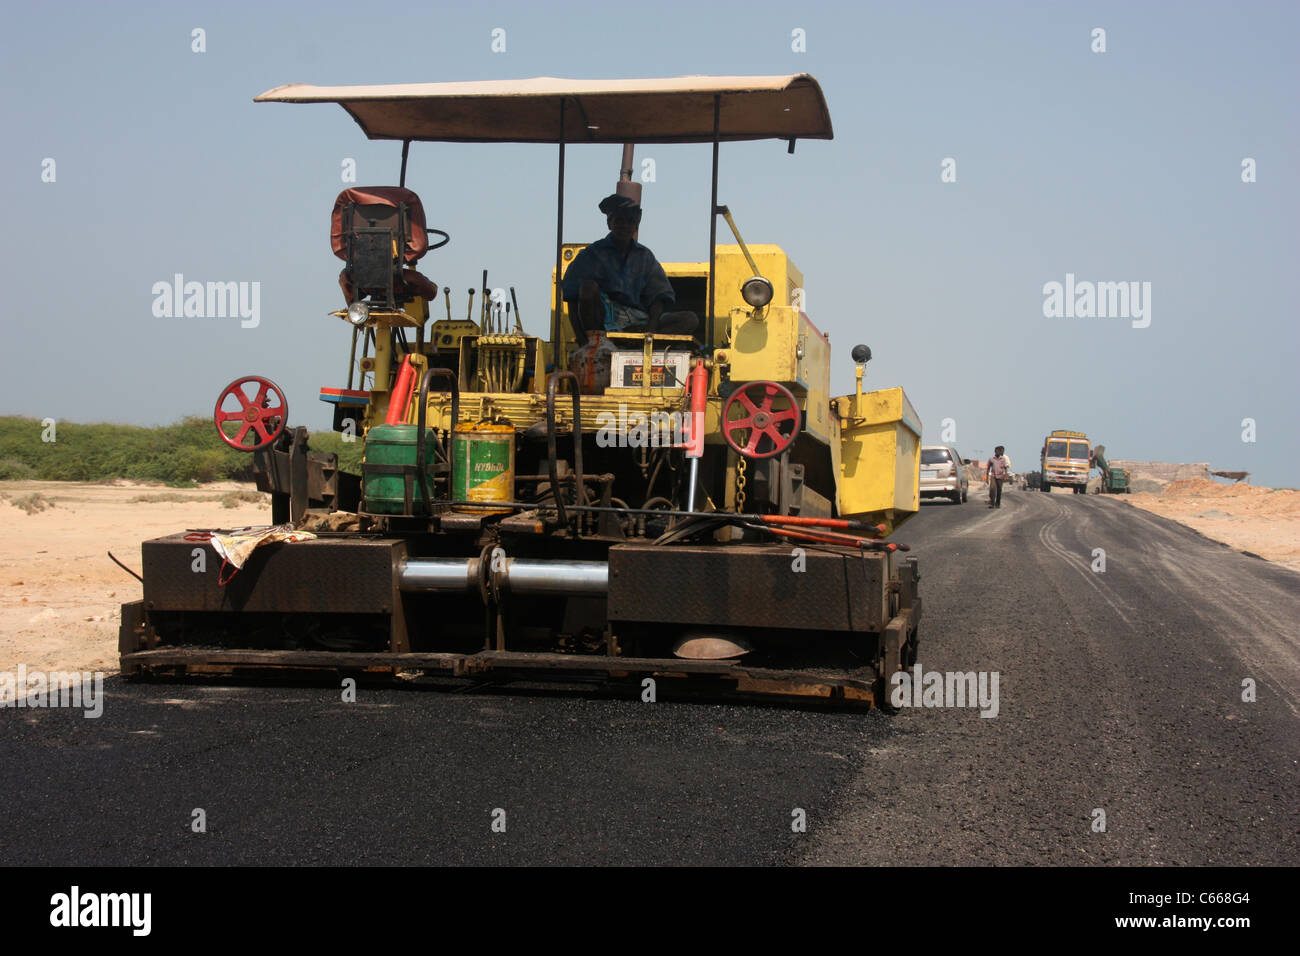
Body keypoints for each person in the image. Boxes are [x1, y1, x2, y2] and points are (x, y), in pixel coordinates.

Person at [561, 194, 698, 336]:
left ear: (636, 226)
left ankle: (639, 340)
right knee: (587, 288)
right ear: (609, 223)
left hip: (639, 320)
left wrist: (650, 332)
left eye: (630, 221)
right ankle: (597, 340)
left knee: (689, 319)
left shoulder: (644, 256)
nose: (624, 226)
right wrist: (581, 340)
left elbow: (659, 297)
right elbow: (572, 298)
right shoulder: (591, 255)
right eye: (619, 220)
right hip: (604, 321)